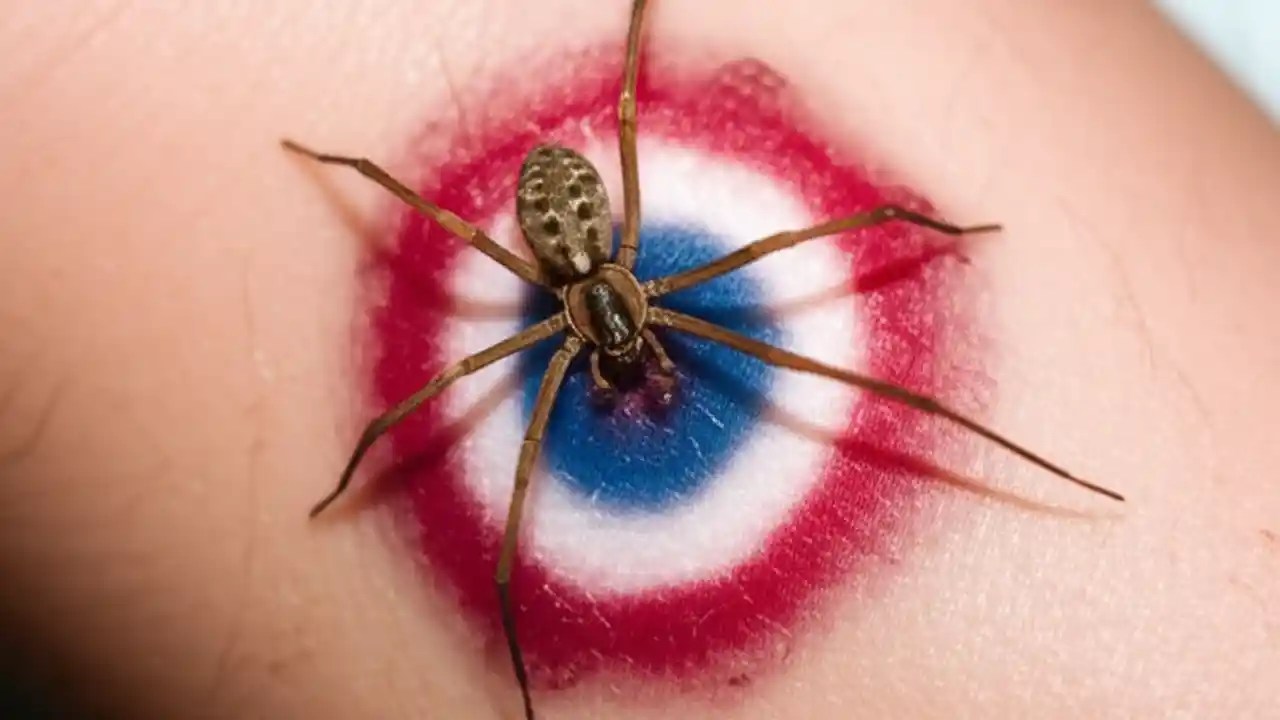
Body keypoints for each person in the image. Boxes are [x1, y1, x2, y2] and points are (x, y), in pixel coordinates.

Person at [1, 1, 1277, 717]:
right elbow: (453, 384)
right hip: (566, 258)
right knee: (486, 476)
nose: (622, 348)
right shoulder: (558, 317)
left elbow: (812, 259)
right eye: (616, 337)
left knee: (847, 340)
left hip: (596, 248)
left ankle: (1010, 428)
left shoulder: (653, 293)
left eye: (625, 333)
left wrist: (899, 221)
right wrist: (356, 473)